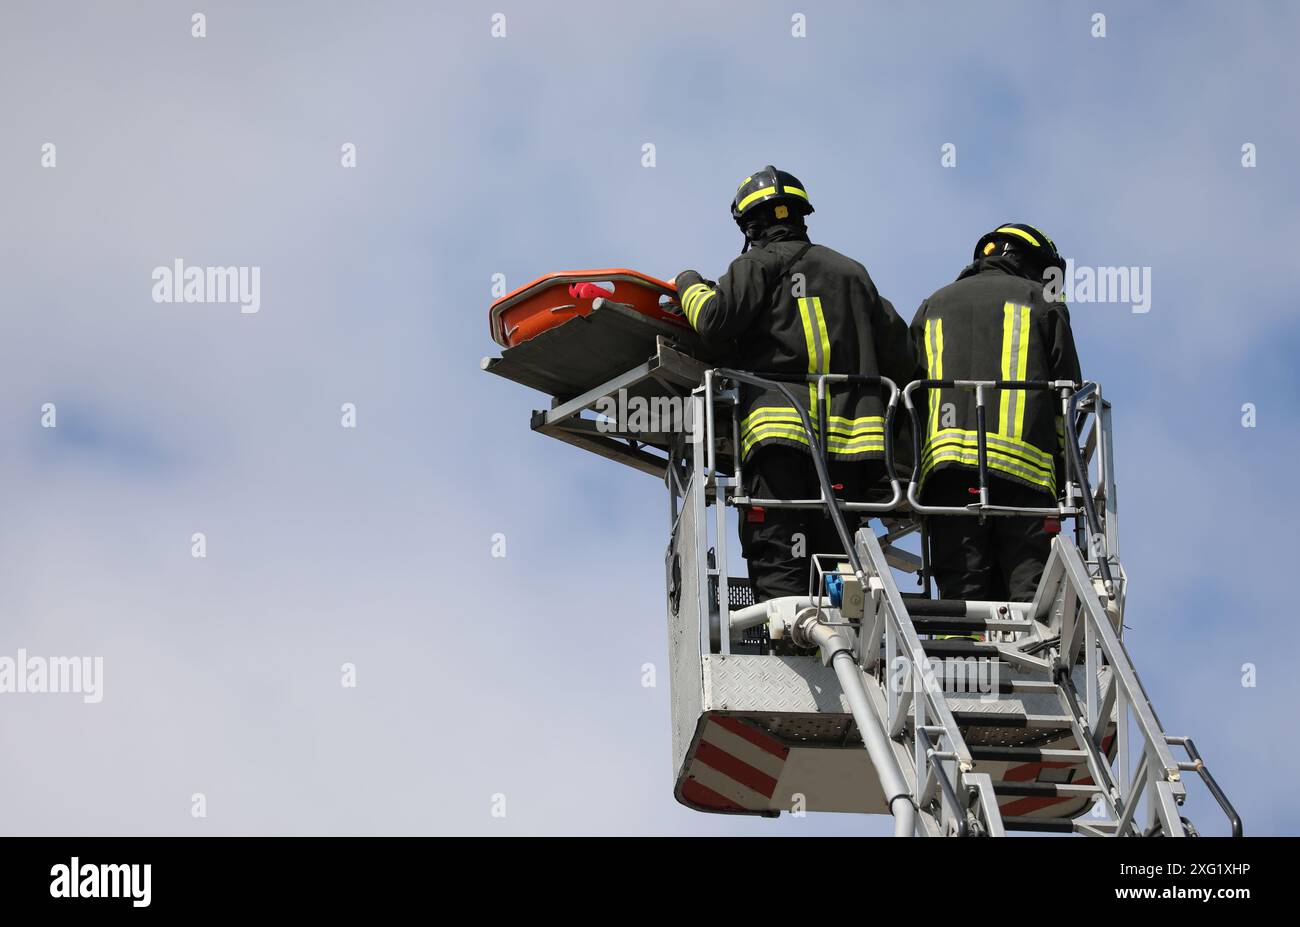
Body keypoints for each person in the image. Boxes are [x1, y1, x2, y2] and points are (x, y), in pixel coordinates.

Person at [673, 166, 914, 602]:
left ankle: (785, 635)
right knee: (838, 545)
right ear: (803, 216)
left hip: (780, 435)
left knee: (779, 541)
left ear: (750, 225)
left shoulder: (757, 264)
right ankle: (843, 621)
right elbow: (903, 357)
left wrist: (689, 284)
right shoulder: (852, 273)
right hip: (852, 445)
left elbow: (714, 321)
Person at [911, 223, 1083, 603]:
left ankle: (958, 651)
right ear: (1030, 262)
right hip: (1024, 475)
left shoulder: (933, 304)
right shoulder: (1042, 301)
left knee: (961, 585)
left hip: (948, 470)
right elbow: (1066, 396)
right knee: (1029, 591)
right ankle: (1030, 657)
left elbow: (912, 391)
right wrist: (1068, 473)